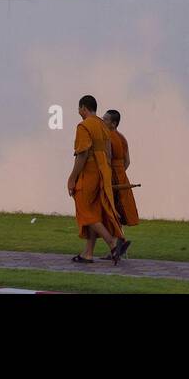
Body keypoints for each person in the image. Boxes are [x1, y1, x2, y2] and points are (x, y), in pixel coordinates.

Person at [66, 95, 128, 264]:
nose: (78, 112)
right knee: (94, 214)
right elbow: (108, 153)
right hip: (103, 173)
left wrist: (72, 178)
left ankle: (113, 243)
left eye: (79, 109)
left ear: (83, 108)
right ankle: (88, 253)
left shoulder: (84, 126)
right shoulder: (102, 125)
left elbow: (83, 154)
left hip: (89, 174)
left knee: (85, 212)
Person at [102, 109, 139, 239]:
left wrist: (108, 177)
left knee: (113, 211)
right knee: (119, 210)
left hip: (113, 177)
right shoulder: (123, 138)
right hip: (122, 176)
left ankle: (117, 245)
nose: (102, 121)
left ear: (114, 123)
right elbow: (127, 161)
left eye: (105, 119)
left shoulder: (108, 137)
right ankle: (117, 245)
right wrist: (120, 172)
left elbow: (108, 158)